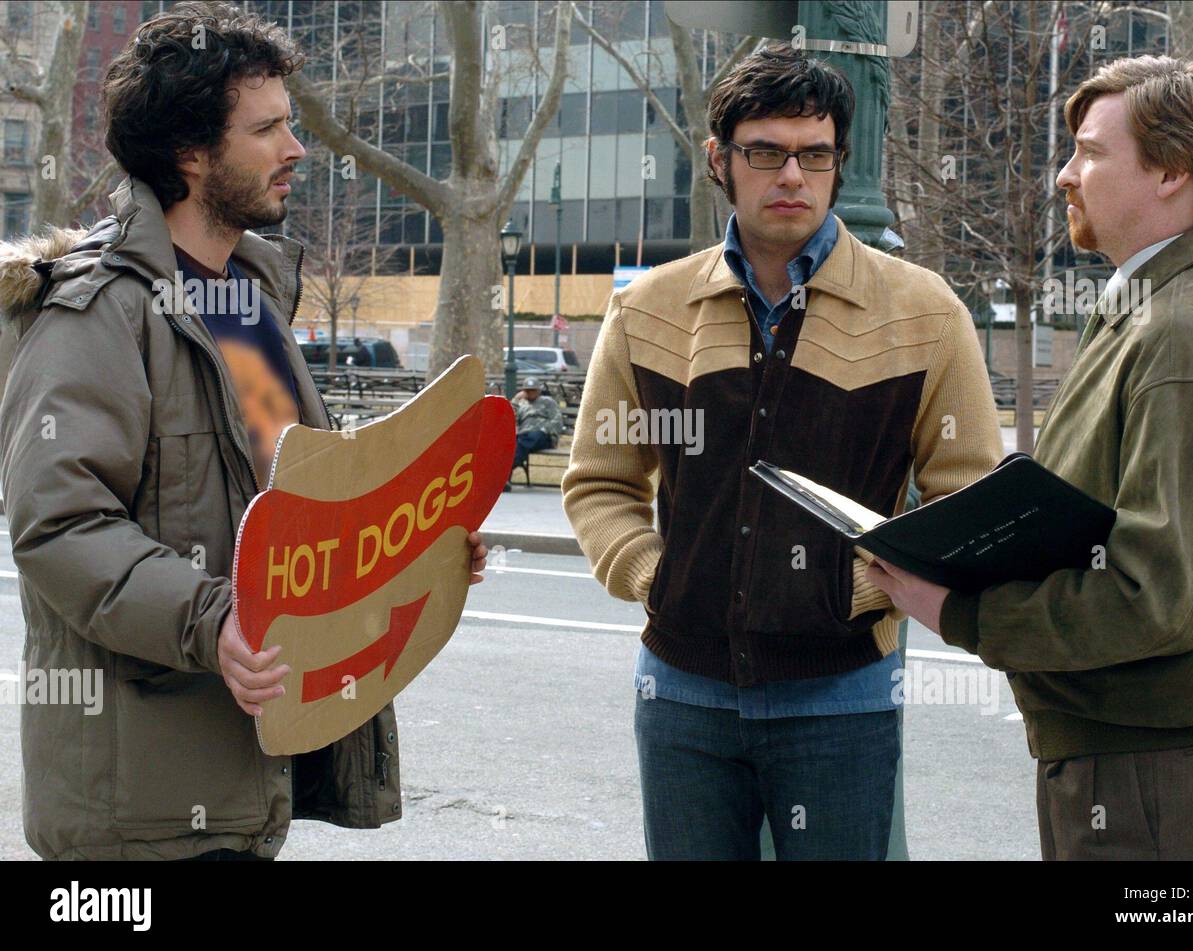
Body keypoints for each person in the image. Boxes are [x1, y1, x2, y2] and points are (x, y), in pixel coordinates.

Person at [0, 1, 488, 860]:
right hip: (138, 817)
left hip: (246, 782)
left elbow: (299, 498)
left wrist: (413, 539)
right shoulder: (97, 314)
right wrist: (211, 617)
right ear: (191, 154)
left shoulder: (255, 302)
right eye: (267, 129)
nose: (295, 150)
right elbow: (59, 525)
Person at [562, 43, 1002, 860]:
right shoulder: (649, 309)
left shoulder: (923, 312)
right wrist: (658, 576)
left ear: (838, 164)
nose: (792, 175)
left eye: (816, 154)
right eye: (766, 152)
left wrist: (860, 587)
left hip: (841, 695)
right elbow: (599, 480)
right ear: (719, 161)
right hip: (681, 691)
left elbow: (965, 500)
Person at [872, 56, 1193, 860]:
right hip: (1134, 754)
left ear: (1172, 172)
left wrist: (962, 611)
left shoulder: (1183, 336)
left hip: (1152, 769)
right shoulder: (1154, 308)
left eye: (1091, 152)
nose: (1066, 176)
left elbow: (1158, 594)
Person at [505, 377, 562, 491]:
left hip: (544, 436)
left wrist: (544, 430)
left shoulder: (547, 401)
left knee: (526, 440)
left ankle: (504, 473)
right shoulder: (522, 403)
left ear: (539, 390)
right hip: (525, 436)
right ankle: (505, 478)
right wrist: (516, 400)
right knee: (515, 443)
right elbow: (510, 417)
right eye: (527, 390)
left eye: (533, 390)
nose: (530, 393)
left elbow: (557, 420)